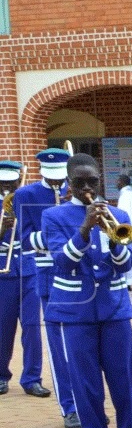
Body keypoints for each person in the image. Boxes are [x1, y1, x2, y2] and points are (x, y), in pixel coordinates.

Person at [41, 154, 132, 428]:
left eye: (92, 181)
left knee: (123, 378)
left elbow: (125, 264)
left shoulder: (117, 214)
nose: (87, 188)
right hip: (76, 312)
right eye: (80, 183)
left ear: (100, 180)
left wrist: (113, 240)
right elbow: (62, 263)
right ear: (69, 184)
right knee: (85, 383)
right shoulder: (53, 216)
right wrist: (85, 229)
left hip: (114, 308)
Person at [13, 149, 71, 417]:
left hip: (80, 272)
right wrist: (57, 235)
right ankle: (69, 406)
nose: (57, 184)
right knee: (57, 342)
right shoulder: (26, 195)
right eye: (52, 178)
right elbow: (24, 239)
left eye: (60, 178)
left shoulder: (78, 188)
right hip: (47, 271)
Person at [0, 159, 44, 398]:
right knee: (3, 327)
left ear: (19, 181)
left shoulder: (27, 201)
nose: (8, 188)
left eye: (12, 183)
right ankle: (0, 375)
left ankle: (32, 378)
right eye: (3, 184)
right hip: (3, 272)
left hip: (29, 270)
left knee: (32, 327)